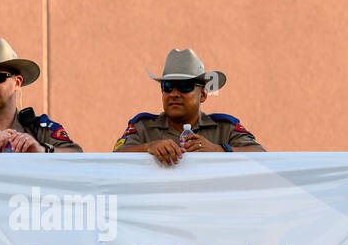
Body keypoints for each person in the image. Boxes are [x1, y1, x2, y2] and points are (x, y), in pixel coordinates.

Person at [113, 48, 264, 165]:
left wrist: (218, 150)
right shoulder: (143, 126)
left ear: (203, 95)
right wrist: (147, 147)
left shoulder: (225, 127)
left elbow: (262, 155)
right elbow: (114, 157)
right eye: (167, 86)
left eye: (184, 86)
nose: (173, 94)